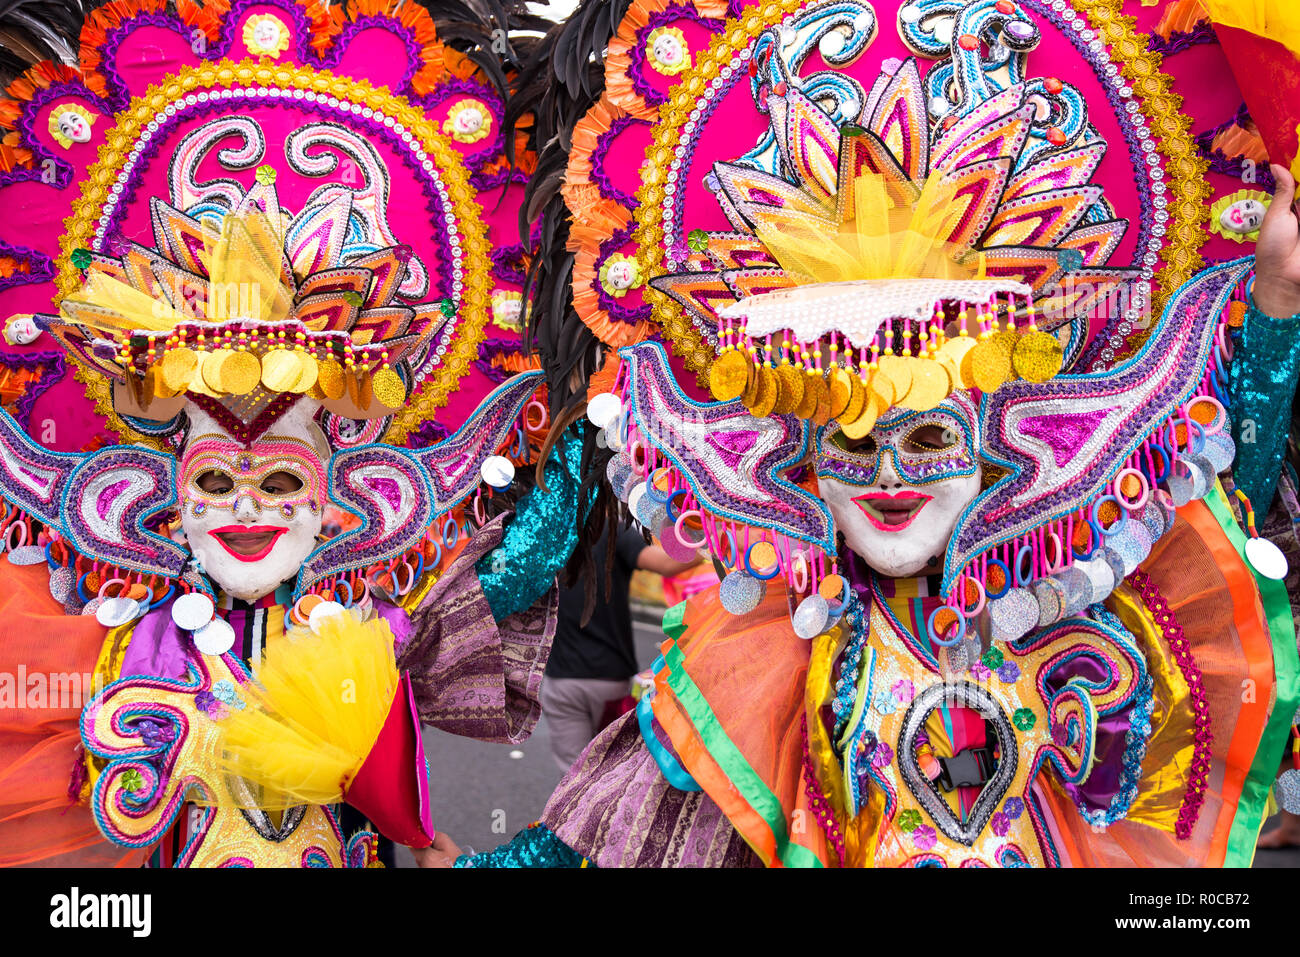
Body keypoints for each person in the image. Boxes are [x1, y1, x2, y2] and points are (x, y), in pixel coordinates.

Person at [429, 0, 1300, 868]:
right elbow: (602, 841)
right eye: (850, 442)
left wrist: (1275, 301)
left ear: (1004, 447)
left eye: (924, 438)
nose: (887, 473)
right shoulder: (766, 662)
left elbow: (1232, 489)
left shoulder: (1079, 614)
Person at [0, 0, 582, 867]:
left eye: (277, 483)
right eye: (213, 483)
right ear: (161, 495)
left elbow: (516, 569)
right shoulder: (129, 636)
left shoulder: (368, 623)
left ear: (338, 496)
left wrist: (583, 428)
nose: (244, 505)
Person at [542, 527, 700, 770]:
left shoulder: (543, 532)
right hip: (612, 680)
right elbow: (670, 563)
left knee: (573, 777)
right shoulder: (611, 530)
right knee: (615, 772)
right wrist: (713, 537)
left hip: (562, 682)